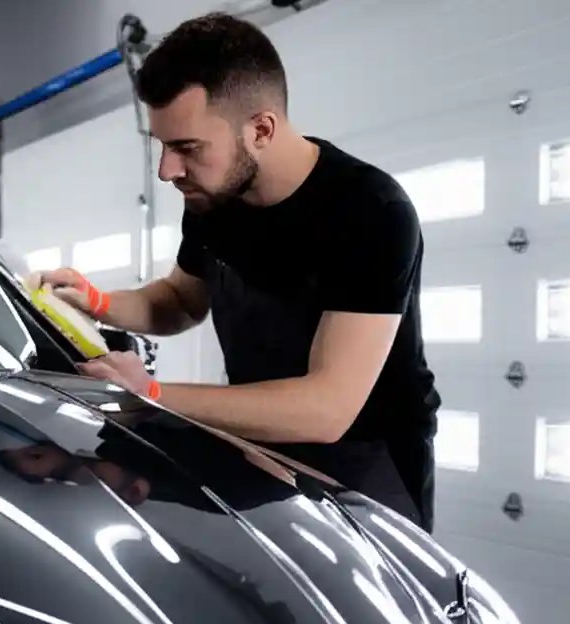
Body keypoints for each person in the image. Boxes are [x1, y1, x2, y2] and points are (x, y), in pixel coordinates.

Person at [38, 12, 442, 531]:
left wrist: (152, 395)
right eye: (163, 146)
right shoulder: (214, 200)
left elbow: (327, 407)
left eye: (186, 148)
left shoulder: (370, 211)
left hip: (367, 470)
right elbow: (179, 303)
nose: (167, 170)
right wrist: (93, 300)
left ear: (261, 129)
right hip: (259, 446)